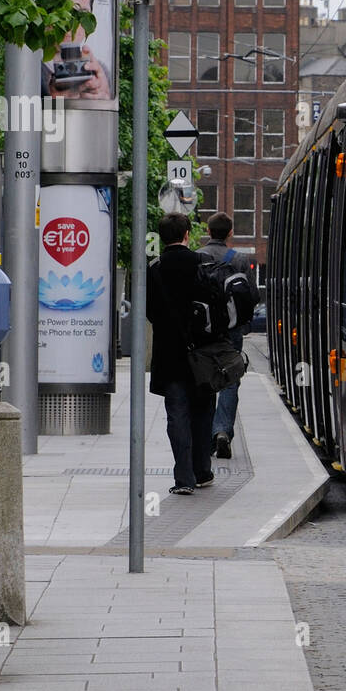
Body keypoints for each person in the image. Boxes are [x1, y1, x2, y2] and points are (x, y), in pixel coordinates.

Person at [146, 212, 215, 496]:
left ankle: (183, 478)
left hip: (169, 355)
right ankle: (203, 471)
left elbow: (149, 312)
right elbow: (215, 306)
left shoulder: (154, 269)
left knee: (177, 416)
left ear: (163, 237)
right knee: (203, 412)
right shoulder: (203, 264)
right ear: (187, 234)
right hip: (202, 354)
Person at [198, 212, 246, 460]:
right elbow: (247, 297)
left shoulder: (196, 257)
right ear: (230, 233)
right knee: (230, 380)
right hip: (231, 331)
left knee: (204, 379)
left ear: (208, 231)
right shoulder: (237, 259)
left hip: (203, 331)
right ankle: (222, 431)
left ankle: (205, 435)